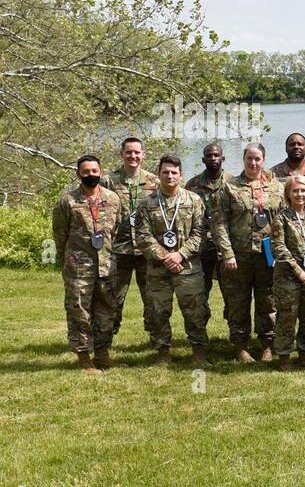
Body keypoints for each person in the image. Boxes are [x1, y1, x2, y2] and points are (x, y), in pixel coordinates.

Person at [133, 155, 208, 366]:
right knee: (158, 312)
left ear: (181, 175)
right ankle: (162, 353)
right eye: (165, 172)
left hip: (188, 268)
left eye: (174, 172)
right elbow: (142, 236)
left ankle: (199, 353)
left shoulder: (194, 201)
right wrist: (165, 257)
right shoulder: (147, 204)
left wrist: (180, 254)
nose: (169, 176)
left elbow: (201, 233)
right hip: (158, 269)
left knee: (196, 311)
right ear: (159, 175)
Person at [212, 142, 282, 363]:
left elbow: (282, 222)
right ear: (243, 160)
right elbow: (219, 223)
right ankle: (240, 346)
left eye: (257, 159)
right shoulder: (229, 187)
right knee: (238, 302)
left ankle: (267, 345)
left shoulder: (276, 187)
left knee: (268, 301)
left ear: (264, 159)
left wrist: (280, 252)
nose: (253, 163)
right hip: (238, 256)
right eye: (249, 158)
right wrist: (227, 254)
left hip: (267, 255)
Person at [53, 155, 123, 372]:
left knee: (107, 311)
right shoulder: (68, 201)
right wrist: (68, 259)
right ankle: (84, 357)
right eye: (86, 172)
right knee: (79, 311)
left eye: (94, 171)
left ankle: (102, 355)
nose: (91, 175)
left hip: (106, 265)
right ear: (78, 174)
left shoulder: (113, 199)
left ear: (100, 172)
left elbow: (116, 228)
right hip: (78, 267)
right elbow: (60, 234)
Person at [102, 136, 158, 337]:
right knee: (113, 297)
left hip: (146, 251)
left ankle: (156, 339)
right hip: (118, 249)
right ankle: (105, 340)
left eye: (137, 152)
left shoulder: (155, 182)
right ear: (122, 154)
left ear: (143, 155)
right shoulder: (108, 180)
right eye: (128, 152)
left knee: (152, 298)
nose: (133, 156)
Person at [270, 175, 305, 371]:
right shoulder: (281, 218)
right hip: (288, 278)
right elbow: (278, 247)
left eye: (303, 190)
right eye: (295, 191)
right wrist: (299, 272)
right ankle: (284, 357)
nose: (299, 194)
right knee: (287, 317)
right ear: (288, 194)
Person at [185, 142, 230, 308]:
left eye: (216, 155)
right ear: (203, 159)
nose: (213, 158)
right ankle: (199, 332)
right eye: (209, 155)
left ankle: (236, 332)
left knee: (232, 294)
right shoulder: (192, 185)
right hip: (202, 247)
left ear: (223, 158)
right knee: (199, 293)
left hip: (226, 247)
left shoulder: (233, 183)